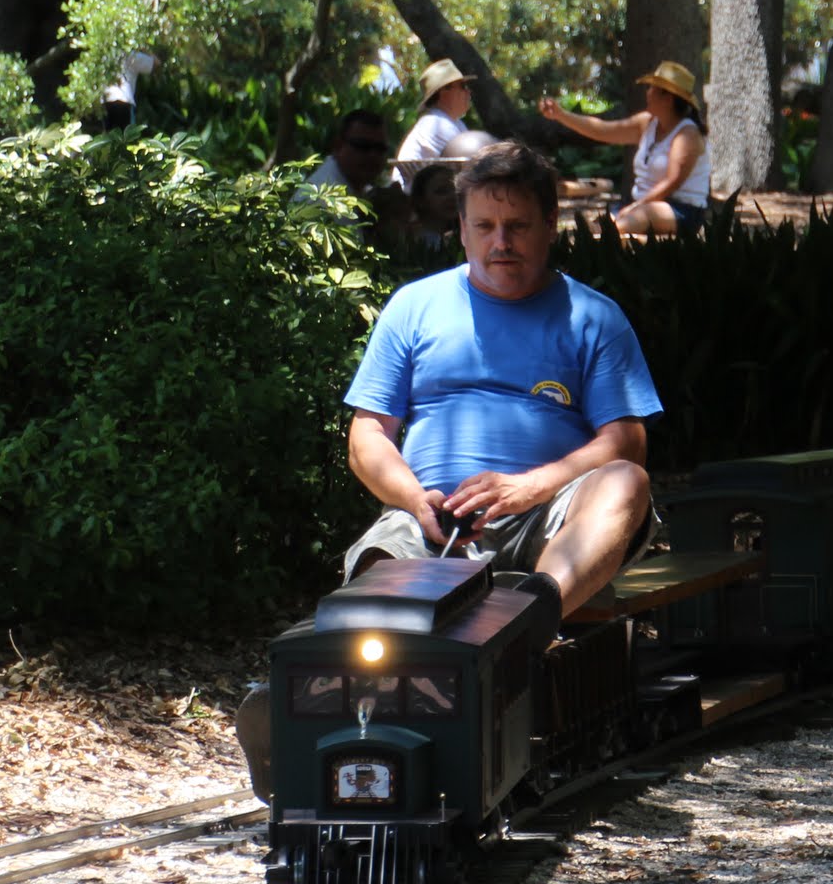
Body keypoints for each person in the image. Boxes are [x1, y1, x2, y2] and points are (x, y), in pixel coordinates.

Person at [236, 141, 661, 803]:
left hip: (551, 520)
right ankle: (300, 722)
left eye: (518, 226)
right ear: (459, 228)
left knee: (627, 483)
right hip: (431, 515)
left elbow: (625, 441)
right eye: (485, 227)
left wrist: (533, 484)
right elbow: (366, 437)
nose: (501, 243)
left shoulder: (593, 317)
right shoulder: (413, 307)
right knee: (379, 582)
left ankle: (527, 626)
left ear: (551, 226)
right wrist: (414, 497)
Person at [538, 60, 711, 236]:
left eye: (652, 88)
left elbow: (673, 182)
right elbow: (602, 130)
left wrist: (637, 206)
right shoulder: (646, 123)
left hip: (680, 209)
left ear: (668, 98)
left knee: (622, 226)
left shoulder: (687, 134)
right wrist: (561, 115)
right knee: (593, 229)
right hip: (640, 205)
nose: (647, 93)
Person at [393, 58, 475, 192]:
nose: (468, 91)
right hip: (415, 205)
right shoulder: (436, 123)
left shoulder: (453, 122)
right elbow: (475, 167)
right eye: (462, 86)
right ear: (444, 92)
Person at [407, 162, 458, 250]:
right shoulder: (410, 242)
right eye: (441, 191)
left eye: (456, 190)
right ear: (420, 200)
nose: (453, 197)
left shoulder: (459, 238)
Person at [102, 51, 159, 130]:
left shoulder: (105, 55)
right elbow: (156, 63)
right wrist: (145, 49)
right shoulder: (132, 56)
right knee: (127, 137)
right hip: (124, 100)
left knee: (108, 136)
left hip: (106, 100)